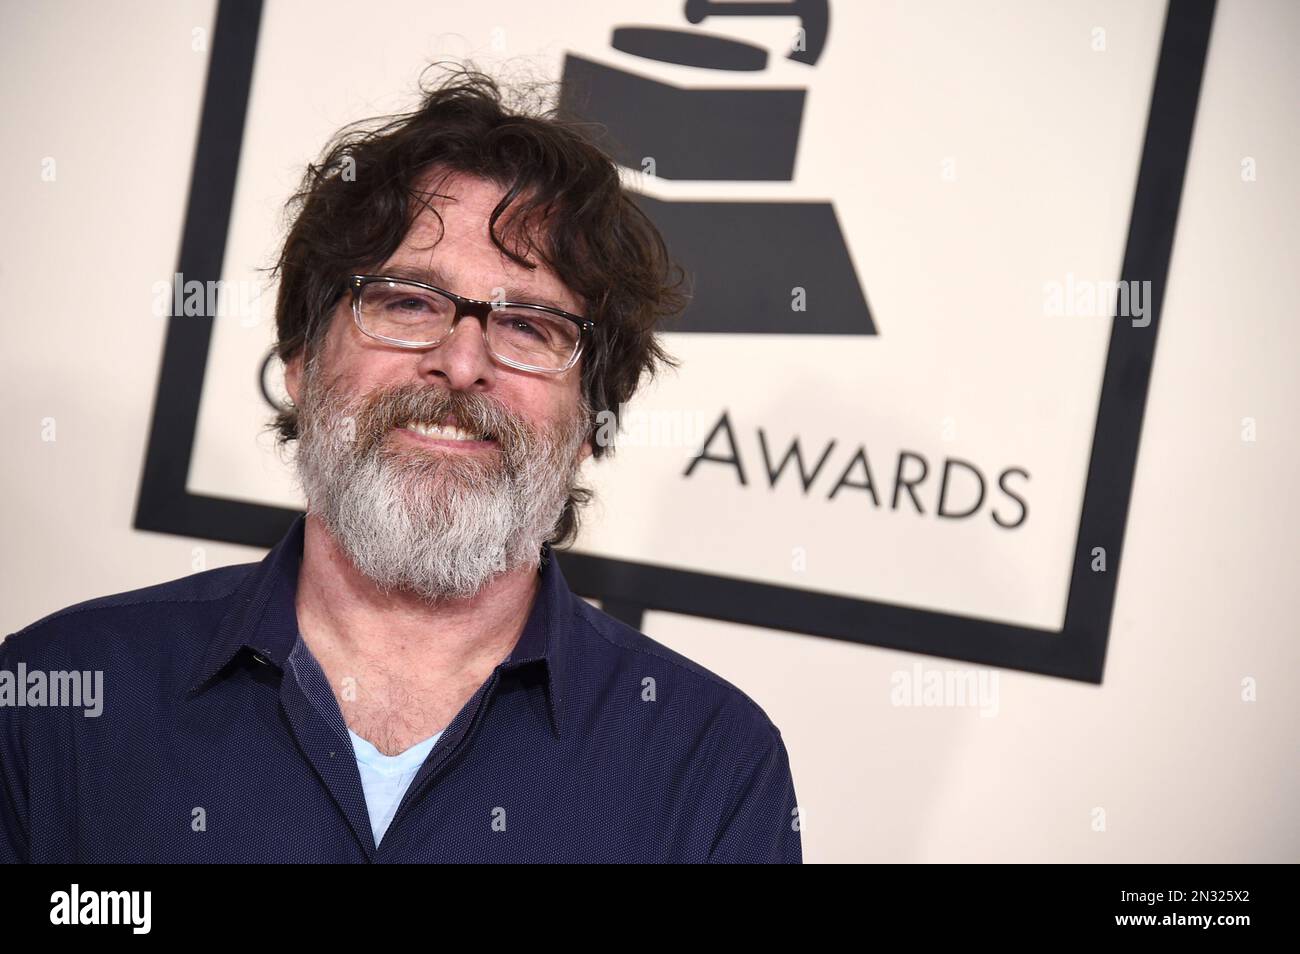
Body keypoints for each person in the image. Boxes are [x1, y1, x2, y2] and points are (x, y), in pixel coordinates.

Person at [0, 65, 801, 863]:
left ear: (592, 419)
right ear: (302, 360)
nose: (461, 362)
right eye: (408, 302)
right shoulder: (59, 695)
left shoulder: (712, 766)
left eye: (529, 327)